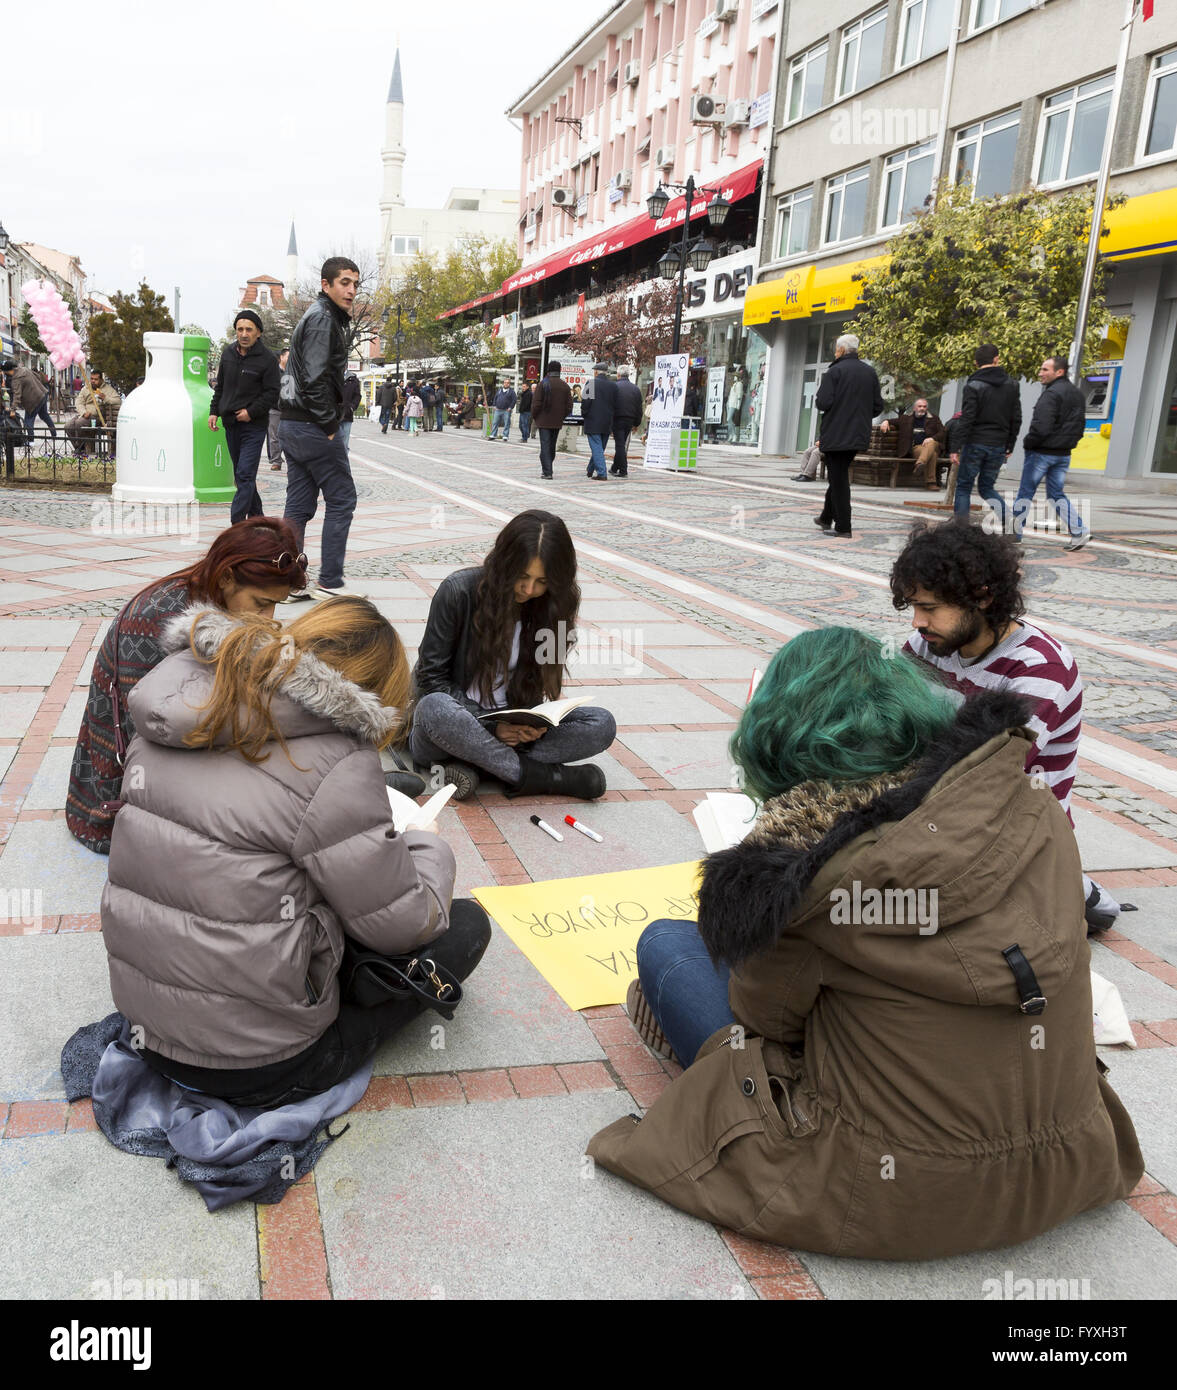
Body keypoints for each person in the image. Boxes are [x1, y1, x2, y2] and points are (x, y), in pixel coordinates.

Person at [587, 626, 1143, 1258]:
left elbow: (763, 1015)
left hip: (894, 1184)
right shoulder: (1027, 803)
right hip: (1064, 1152)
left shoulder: (815, 874)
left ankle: (696, 1051)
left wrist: (764, 911)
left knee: (667, 946)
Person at [100, 595, 492, 1110]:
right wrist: (426, 843)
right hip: (259, 1066)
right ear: (373, 694)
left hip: (145, 1028)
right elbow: (402, 924)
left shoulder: (172, 713)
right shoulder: (334, 762)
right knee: (465, 925)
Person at [891, 520, 1126, 933]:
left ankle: (1074, 890)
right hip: (937, 806)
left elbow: (983, 772)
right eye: (913, 606)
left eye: (929, 608)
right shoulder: (926, 646)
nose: (917, 622)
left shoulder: (1040, 668)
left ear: (982, 597)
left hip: (1013, 821)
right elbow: (892, 726)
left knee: (925, 918)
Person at [67, 518, 306, 855]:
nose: (268, 618)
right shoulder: (154, 618)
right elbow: (154, 732)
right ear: (225, 578)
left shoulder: (208, 599)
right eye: (260, 603)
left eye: (276, 604)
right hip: (118, 801)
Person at [408, 510, 616, 801]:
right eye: (522, 576)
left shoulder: (555, 607)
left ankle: (479, 765)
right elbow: (431, 680)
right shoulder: (457, 592)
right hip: (458, 723)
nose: (529, 589)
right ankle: (547, 778)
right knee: (435, 708)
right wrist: (492, 726)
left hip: (513, 732)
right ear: (504, 563)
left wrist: (533, 724)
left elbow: (541, 686)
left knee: (601, 724)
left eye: (542, 581)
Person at [279, 256, 363, 601]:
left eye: (355, 284)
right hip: (312, 426)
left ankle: (286, 581)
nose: (352, 290)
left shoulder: (318, 316)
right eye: (344, 282)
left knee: (298, 505)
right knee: (342, 499)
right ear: (326, 285)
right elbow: (314, 379)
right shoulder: (322, 320)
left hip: (293, 424)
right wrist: (330, 424)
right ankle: (330, 581)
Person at [210, 310, 281, 523]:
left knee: (245, 474)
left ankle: (237, 524)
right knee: (243, 477)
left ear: (258, 332)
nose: (244, 333)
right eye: (240, 329)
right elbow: (220, 386)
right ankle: (259, 519)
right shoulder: (228, 354)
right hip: (231, 424)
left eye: (248, 329)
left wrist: (251, 412)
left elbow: (272, 393)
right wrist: (214, 411)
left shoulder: (267, 359)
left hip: (254, 426)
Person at [1013, 355, 1090, 551]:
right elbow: (1080, 425)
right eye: (1041, 369)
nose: (1040, 373)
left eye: (1045, 369)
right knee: (1056, 493)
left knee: (1025, 493)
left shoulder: (1051, 394)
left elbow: (1041, 427)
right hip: (1063, 453)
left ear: (1059, 372)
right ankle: (1079, 531)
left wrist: (1028, 443)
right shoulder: (1077, 394)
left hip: (1042, 452)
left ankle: (1012, 535)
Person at [812, 334, 884, 539]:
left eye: (836, 348)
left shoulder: (835, 371)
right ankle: (826, 516)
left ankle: (843, 526)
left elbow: (823, 402)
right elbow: (878, 406)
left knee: (839, 479)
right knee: (837, 474)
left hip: (836, 434)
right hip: (857, 435)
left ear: (841, 350)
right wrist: (859, 416)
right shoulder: (869, 372)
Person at [952, 343, 1021, 528]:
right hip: (998, 444)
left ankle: (960, 528)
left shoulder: (973, 386)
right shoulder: (1012, 385)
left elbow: (967, 418)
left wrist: (955, 446)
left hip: (975, 442)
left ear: (976, 363)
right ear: (997, 359)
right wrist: (1010, 444)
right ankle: (1008, 518)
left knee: (964, 486)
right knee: (987, 487)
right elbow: (1017, 418)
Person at [880, 397, 946, 491]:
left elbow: (942, 432)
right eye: (919, 406)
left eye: (924, 406)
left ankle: (920, 463)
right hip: (916, 448)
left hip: (933, 445)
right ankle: (930, 483)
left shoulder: (934, 419)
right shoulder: (905, 418)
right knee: (932, 455)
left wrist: (932, 438)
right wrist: (885, 421)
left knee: (931, 444)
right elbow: (891, 421)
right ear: (914, 408)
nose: (922, 408)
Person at [66, 368, 120, 458]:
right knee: (68, 426)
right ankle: (79, 447)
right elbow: (79, 402)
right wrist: (83, 412)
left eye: (96, 379)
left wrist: (105, 398)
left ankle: (80, 448)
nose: (93, 381)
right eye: (92, 379)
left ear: (101, 380)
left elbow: (118, 400)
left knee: (79, 423)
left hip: (98, 418)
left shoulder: (107, 389)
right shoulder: (86, 388)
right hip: (84, 415)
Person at [532, 362, 572, 479]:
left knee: (545, 445)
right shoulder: (564, 385)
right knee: (551, 445)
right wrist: (561, 416)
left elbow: (536, 404)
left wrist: (535, 416)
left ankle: (547, 472)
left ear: (548, 370)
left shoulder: (542, 384)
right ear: (560, 370)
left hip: (543, 421)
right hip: (557, 421)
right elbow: (569, 406)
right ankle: (548, 467)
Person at [2, 358, 56, 440]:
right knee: (44, 416)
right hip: (42, 394)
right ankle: (54, 435)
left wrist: (13, 410)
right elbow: (38, 376)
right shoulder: (25, 369)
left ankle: (31, 441)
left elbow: (17, 395)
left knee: (28, 420)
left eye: (6, 373)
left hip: (33, 400)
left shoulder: (16, 379)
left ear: (9, 371)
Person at [581, 362, 616, 481]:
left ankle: (602, 473)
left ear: (596, 372)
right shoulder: (613, 386)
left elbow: (585, 402)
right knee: (599, 447)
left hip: (593, 421)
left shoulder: (591, 383)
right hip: (607, 422)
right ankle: (590, 469)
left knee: (596, 447)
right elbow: (616, 405)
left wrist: (584, 414)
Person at [610, 367, 643, 477]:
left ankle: (623, 469)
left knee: (619, 445)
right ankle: (614, 467)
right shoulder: (635, 389)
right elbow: (639, 408)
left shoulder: (614, 387)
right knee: (621, 443)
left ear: (618, 375)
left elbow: (611, 406)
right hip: (629, 420)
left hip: (617, 419)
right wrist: (636, 423)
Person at [268, 348, 289, 469]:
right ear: (281, 357)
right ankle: (276, 461)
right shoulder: (273, 372)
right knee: (274, 436)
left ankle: (291, 459)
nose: (290, 359)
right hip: (275, 409)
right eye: (288, 356)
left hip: (289, 410)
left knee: (288, 435)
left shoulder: (293, 372)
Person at [339, 372, 361, 453]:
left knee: (345, 441)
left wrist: (352, 407)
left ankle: (343, 463)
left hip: (347, 414)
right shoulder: (333, 375)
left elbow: (357, 395)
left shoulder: (353, 379)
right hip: (334, 414)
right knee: (334, 440)